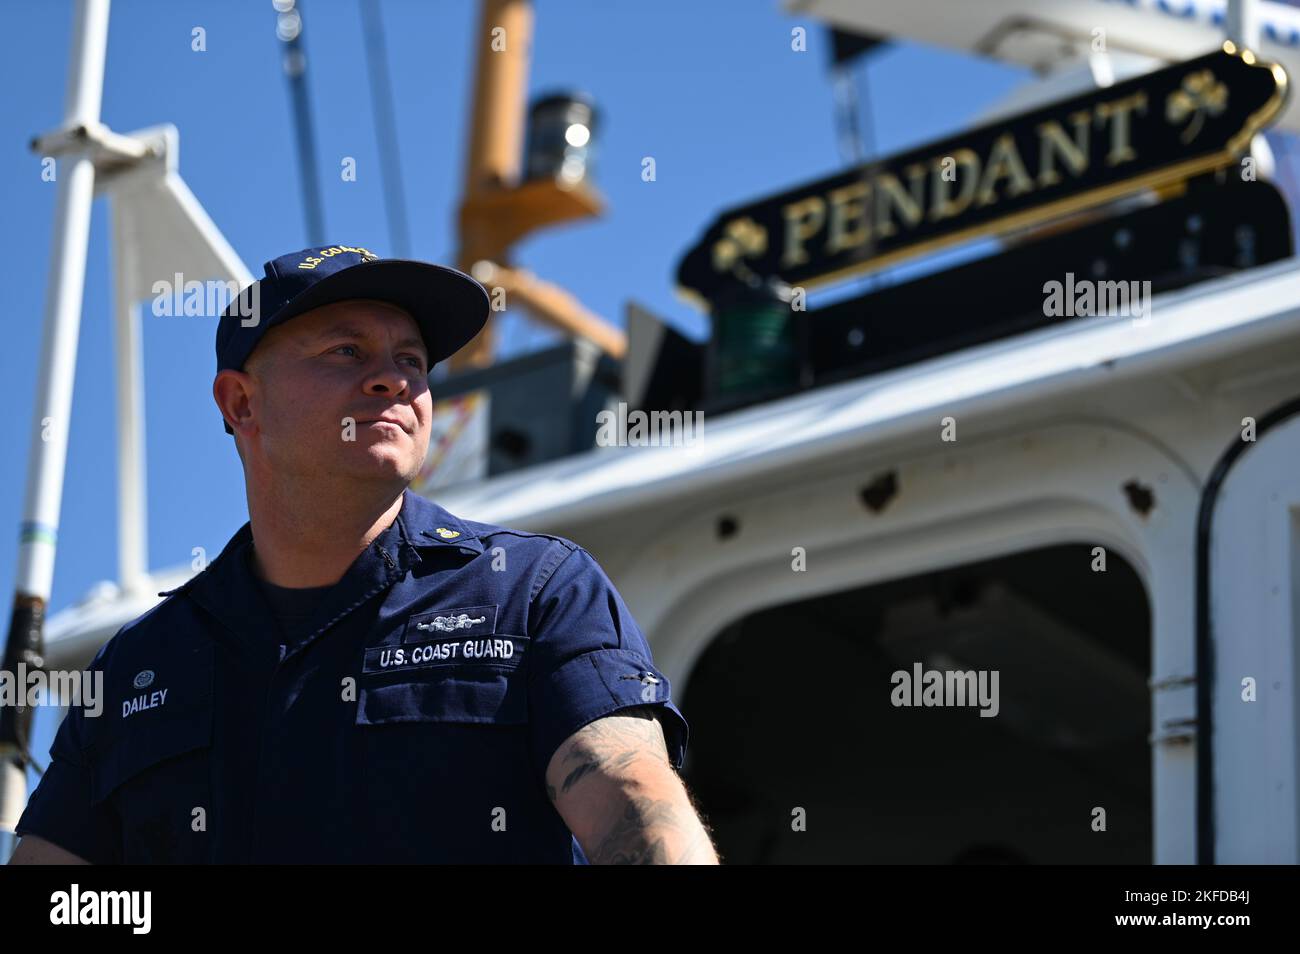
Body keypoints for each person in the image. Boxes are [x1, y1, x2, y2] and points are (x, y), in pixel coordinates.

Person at [9, 244, 718, 864]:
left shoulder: (533, 593)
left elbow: (631, 798)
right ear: (240, 404)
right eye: (346, 352)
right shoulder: (139, 667)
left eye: (410, 360)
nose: (394, 380)